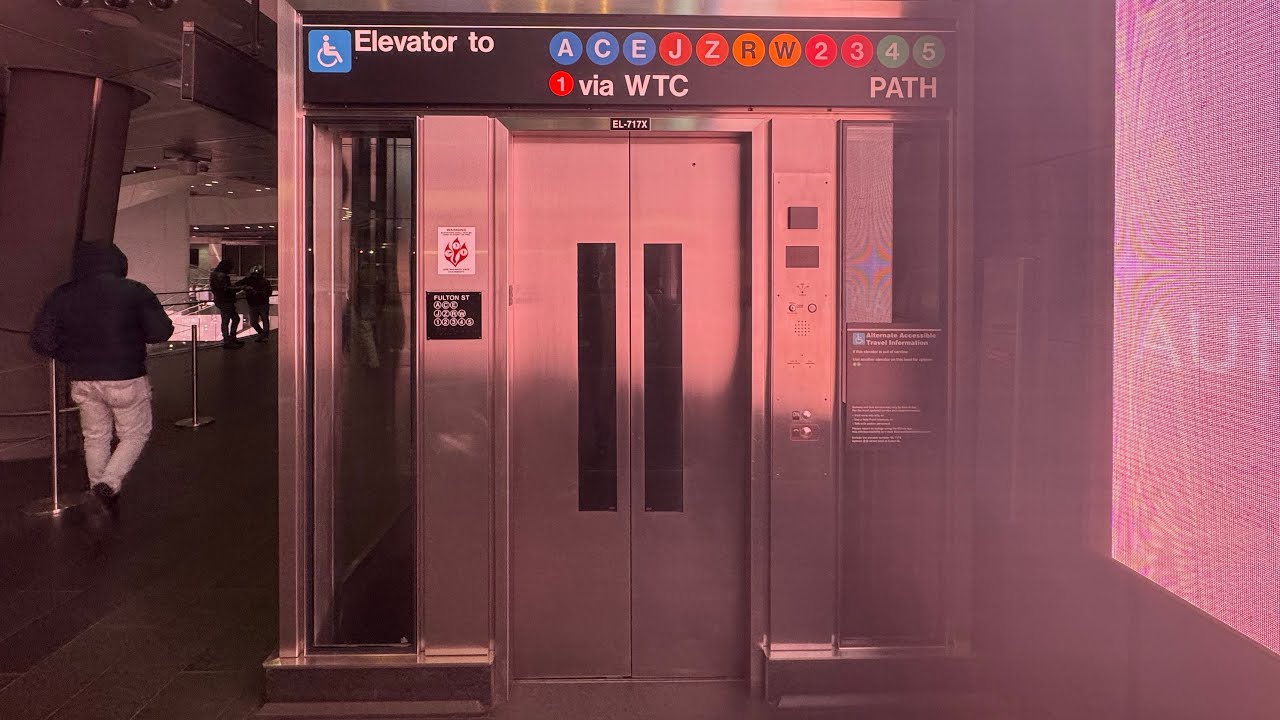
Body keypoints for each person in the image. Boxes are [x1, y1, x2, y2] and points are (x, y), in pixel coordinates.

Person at [29, 243, 174, 509]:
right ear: (119, 261)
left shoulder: (62, 295)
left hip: (82, 378)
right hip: (125, 375)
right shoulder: (134, 292)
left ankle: (98, 487)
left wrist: (70, 355)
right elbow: (160, 332)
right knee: (135, 433)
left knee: (95, 436)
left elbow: (41, 340)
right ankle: (109, 481)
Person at [235, 265, 273, 343]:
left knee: (262, 321)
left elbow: (269, 292)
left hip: (261, 304)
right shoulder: (249, 280)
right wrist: (244, 287)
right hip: (255, 304)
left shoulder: (264, 282)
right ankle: (263, 335)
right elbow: (237, 284)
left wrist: (256, 293)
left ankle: (264, 335)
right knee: (255, 322)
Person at [210, 259, 243, 348]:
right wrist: (240, 287)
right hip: (226, 300)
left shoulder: (214, 274)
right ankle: (229, 340)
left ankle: (228, 339)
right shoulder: (222, 276)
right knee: (232, 319)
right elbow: (227, 288)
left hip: (220, 300)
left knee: (226, 320)